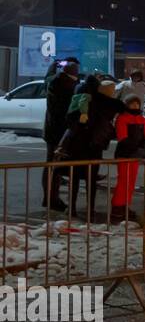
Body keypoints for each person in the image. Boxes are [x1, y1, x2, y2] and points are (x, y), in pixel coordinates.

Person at [54, 76, 125, 220]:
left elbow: (69, 120)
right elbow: (121, 107)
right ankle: (90, 210)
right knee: (91, 180)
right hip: (95, 146)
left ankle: (72, 208)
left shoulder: (80, 100)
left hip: (77, 146)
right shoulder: (105, 102)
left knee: (74, 178)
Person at [41, 57, 79, 211]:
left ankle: (49, 198)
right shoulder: (67, 87)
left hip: (51, 130)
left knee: (51, 165)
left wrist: (52, 65)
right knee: (54, 167)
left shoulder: (53, 81)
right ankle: (52, 199)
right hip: (60, 132)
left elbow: (47, 77)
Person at [109, 94, 145, 223]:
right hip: (125, 154)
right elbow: (122, 137)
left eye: (137, 104)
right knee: (123, 181)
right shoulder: (122, 118)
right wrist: (136, 150)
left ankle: (124, 206)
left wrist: (143, 150)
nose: (135, 106)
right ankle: (117, 208)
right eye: (132, 104)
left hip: (136, 155)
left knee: (131, 183)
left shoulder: (142, 119)